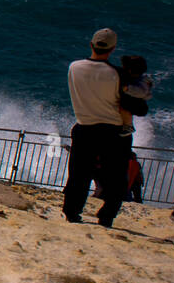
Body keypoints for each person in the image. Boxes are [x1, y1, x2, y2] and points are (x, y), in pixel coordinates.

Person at [62, 28, 146, 227]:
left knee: (78, 176)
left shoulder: (74, 67)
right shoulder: (117, 74)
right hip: (113, 133)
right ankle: (106, 216)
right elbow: (133, 103)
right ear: (113, 48)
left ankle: (72, 212)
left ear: (91, 44)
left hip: (84, 128)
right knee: (116, 179)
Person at [117, 54, 153, 140]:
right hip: (136, 102)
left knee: (123, 107)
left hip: (139, 105)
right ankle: (128, 125)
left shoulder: (142, 81)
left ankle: (129, 126)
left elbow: (141, 92)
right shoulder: (135, 78)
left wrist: (127, 89)